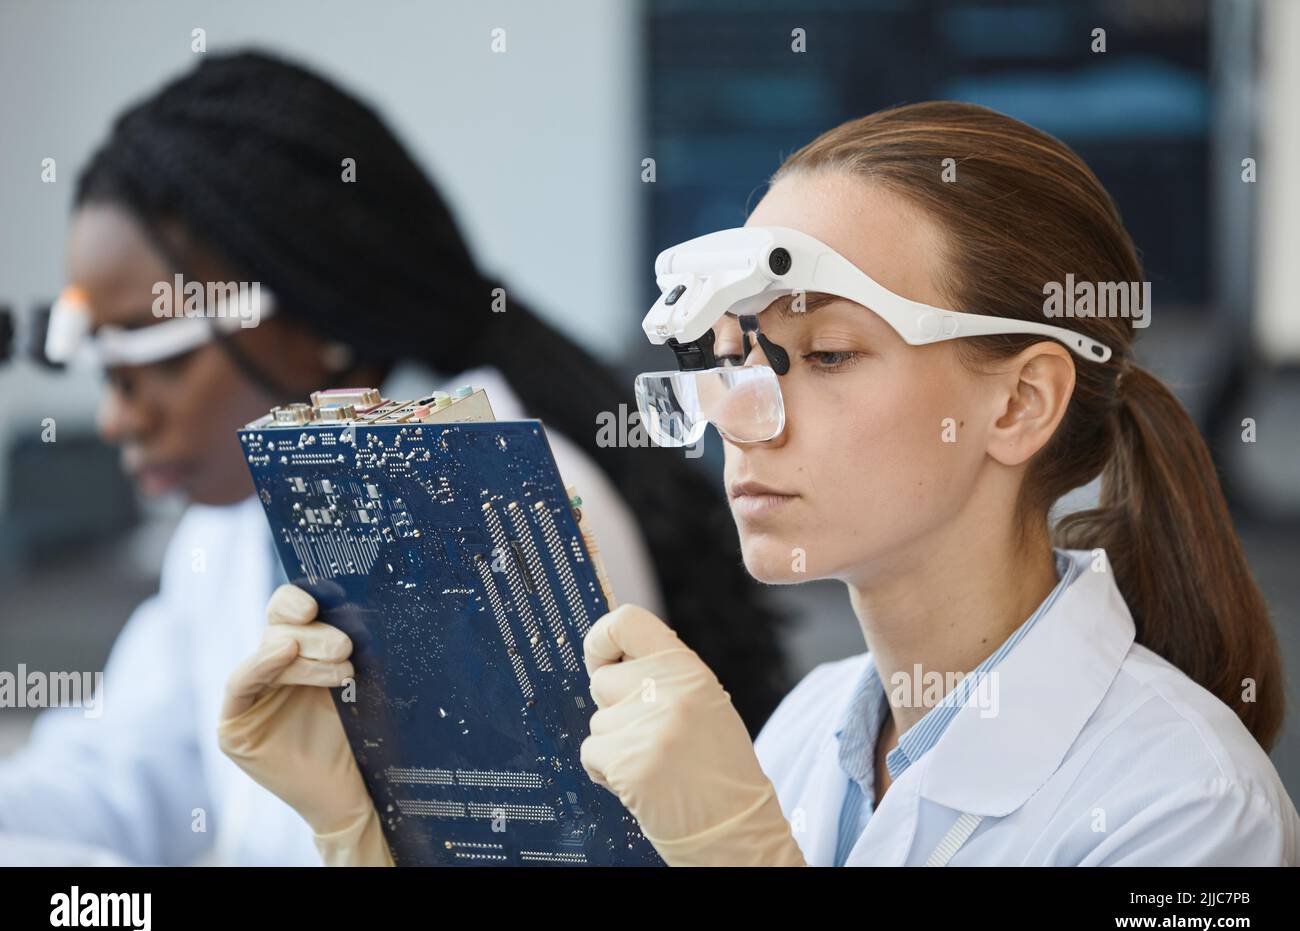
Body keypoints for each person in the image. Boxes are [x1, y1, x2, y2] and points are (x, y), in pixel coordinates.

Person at [222, 101, 1298, 866]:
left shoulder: (1188, 811)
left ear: (1017, 404)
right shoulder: (807, 730)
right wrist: (369, 830)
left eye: (823, 355)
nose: (743, 415)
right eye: (733, 357)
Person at [0, 51, 788, 866]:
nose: (116, 416)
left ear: (316, 319)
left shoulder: (493, 509)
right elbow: (111, 778)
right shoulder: (227, 528)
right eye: (105, 367)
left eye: (156, 359)